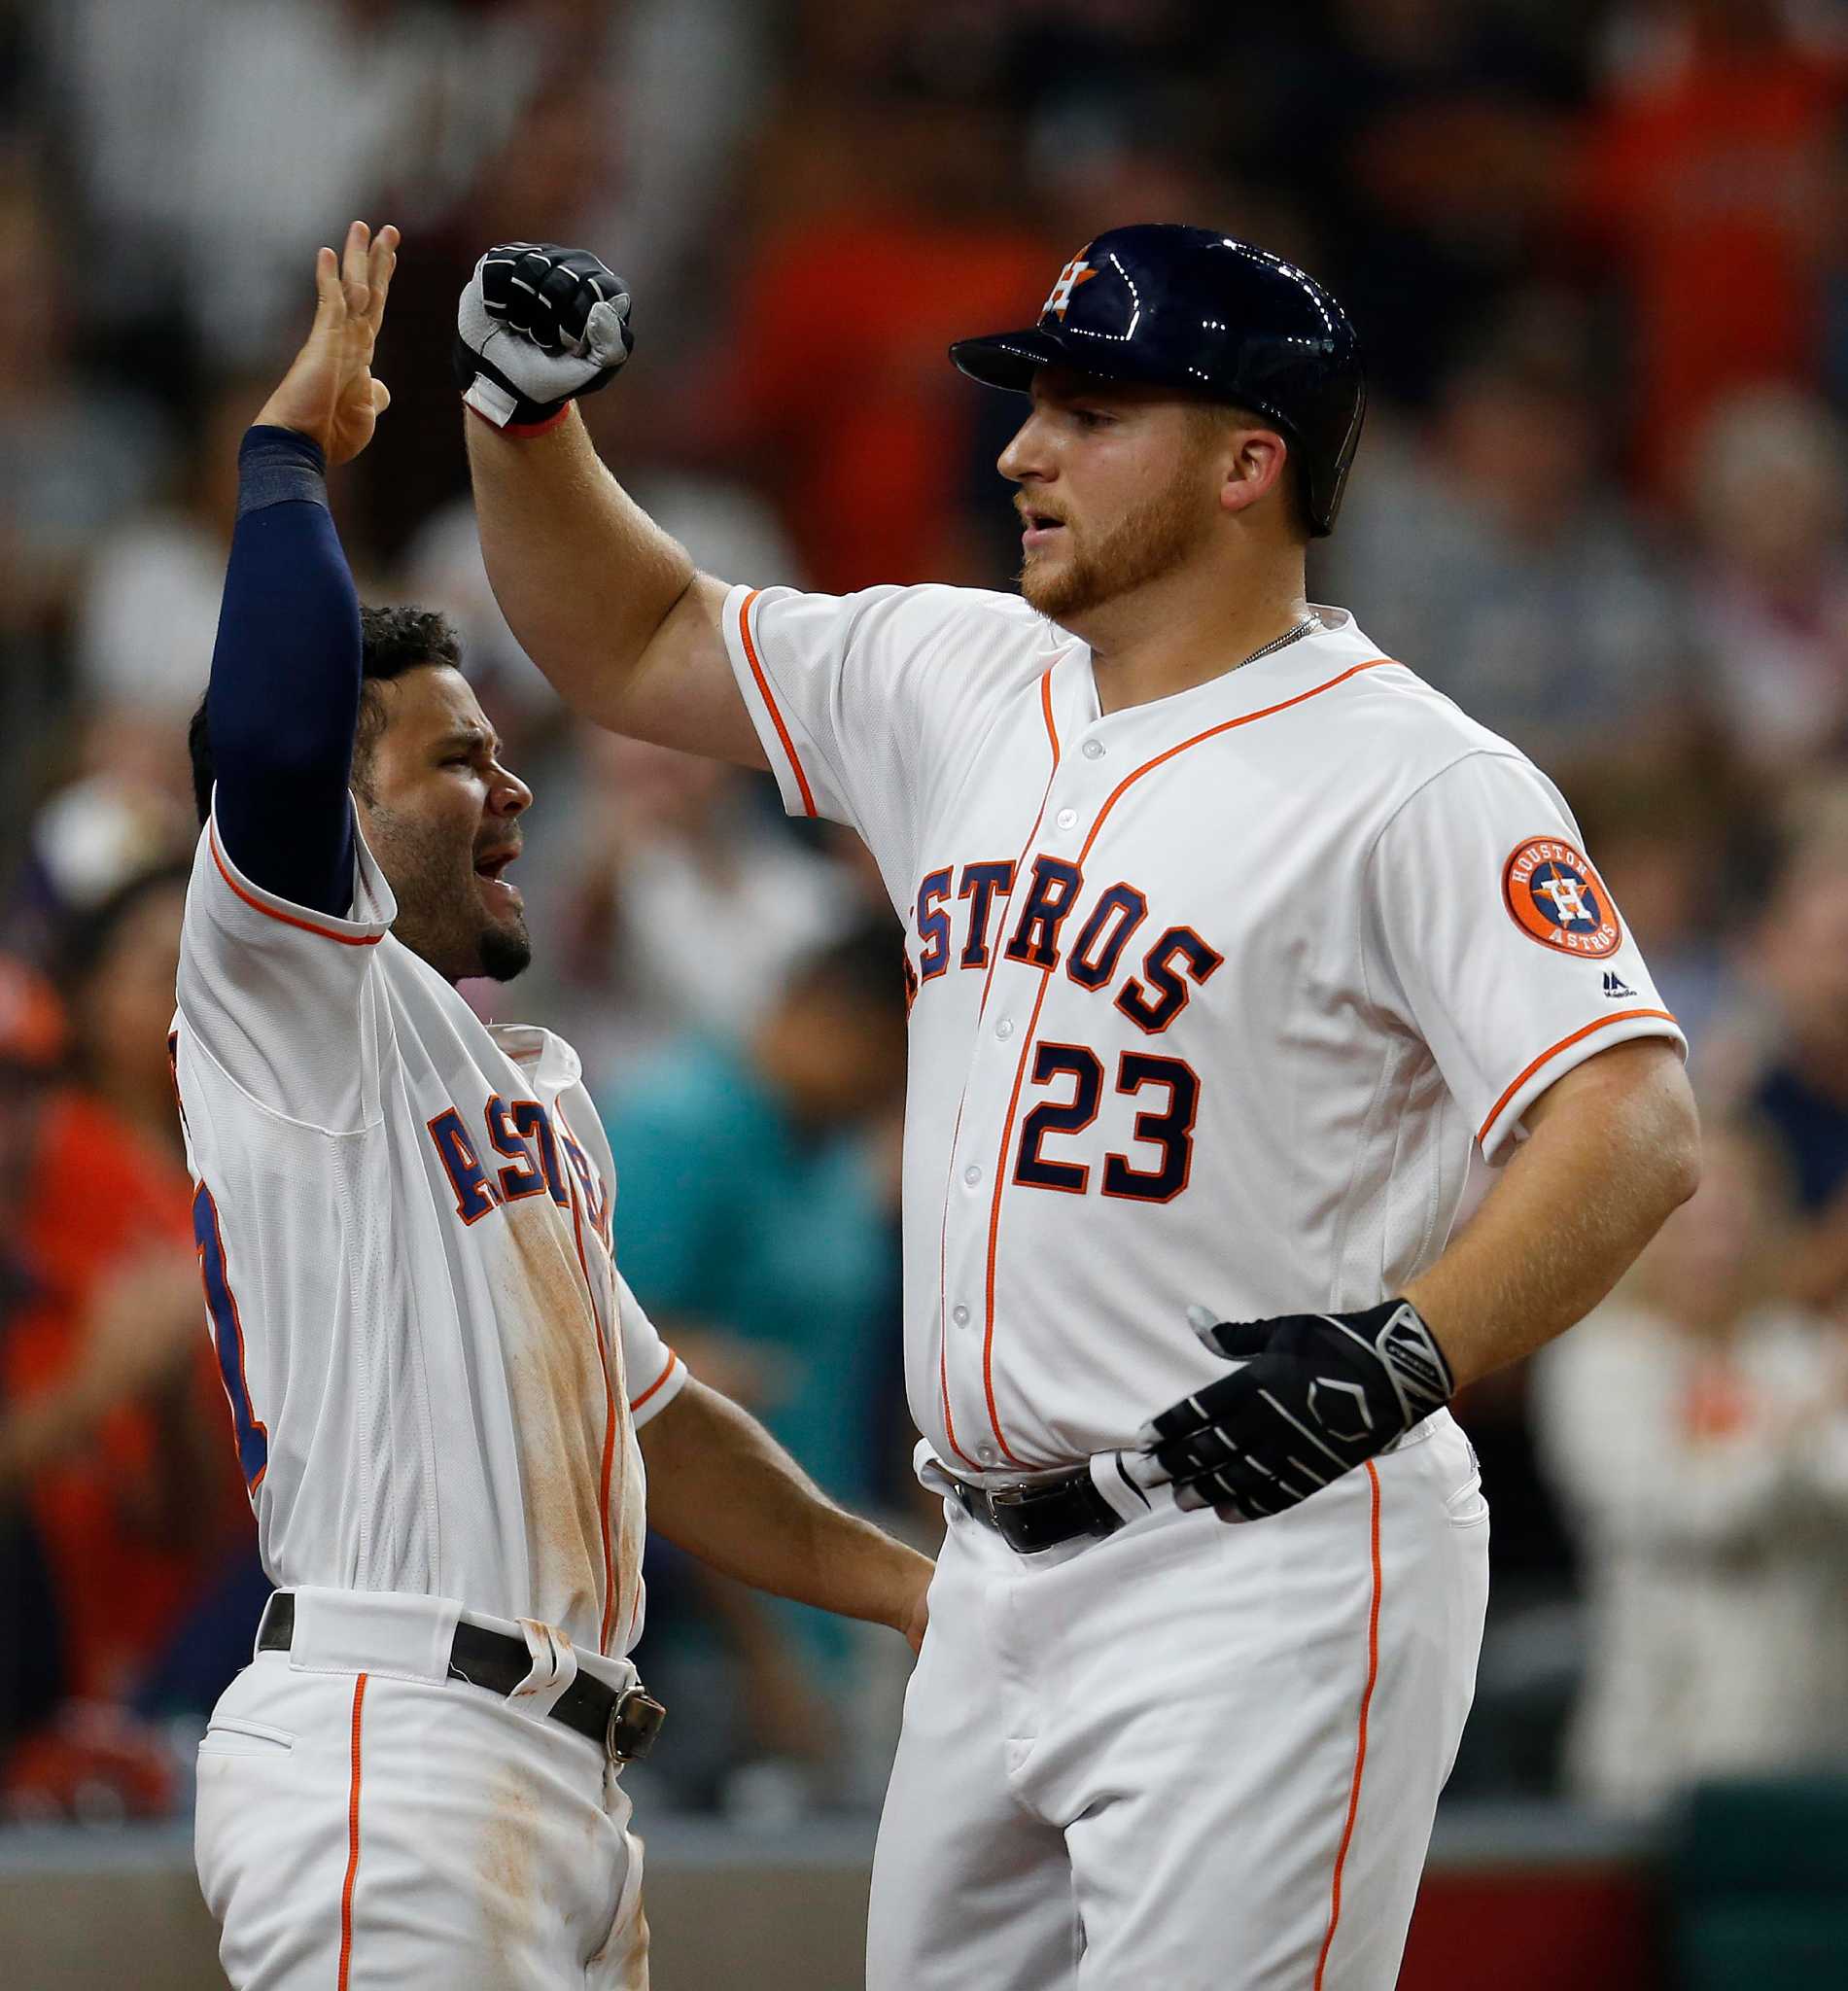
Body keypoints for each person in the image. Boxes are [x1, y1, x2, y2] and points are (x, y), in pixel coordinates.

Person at [458, 224, 1700, 1990]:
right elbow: (635, 635)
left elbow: (1633, 1124)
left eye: (1089, 408)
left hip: (1259, 1559)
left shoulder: (1417, 776)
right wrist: (522, 417)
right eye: (1033, 402)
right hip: (985, 1557)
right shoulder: (958, 675)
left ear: (1246, 458)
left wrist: (1409, 1348)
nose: (1022, 449)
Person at [179, 224, 931, 1991]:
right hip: (393, 1744)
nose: (515, 781)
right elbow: (277, 743)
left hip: (566, 1774)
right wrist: (284, 468)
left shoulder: (538, 1083)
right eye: (456, 753)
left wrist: (922, 1592)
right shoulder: (292, 999)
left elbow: (656, 1425)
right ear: (340, 815)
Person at [1533, 1122, 1848, 1817]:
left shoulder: (1788, 1347)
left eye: (1736, 1222)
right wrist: (1799, 1419)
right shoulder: (1598, 1362)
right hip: (1659, 1752)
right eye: (1691, 1224)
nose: (1717, 1248)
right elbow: (1691, 1513)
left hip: (1813, 1740)